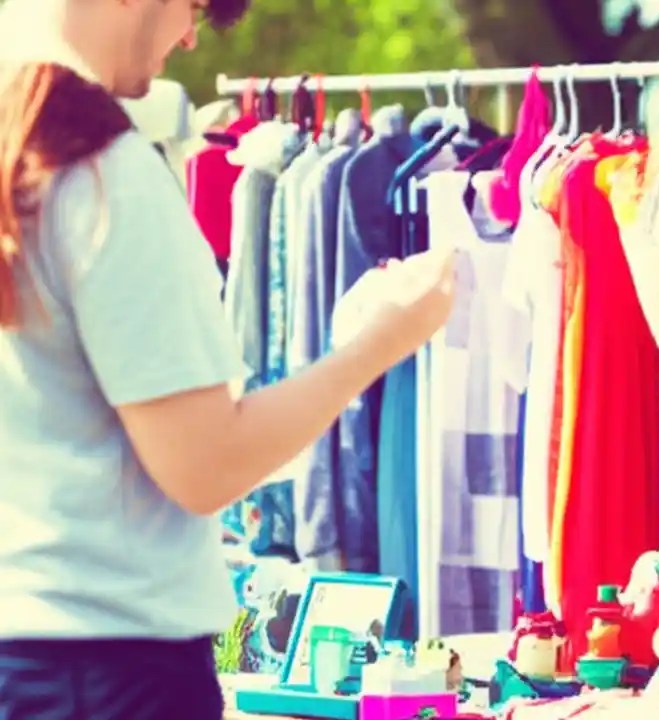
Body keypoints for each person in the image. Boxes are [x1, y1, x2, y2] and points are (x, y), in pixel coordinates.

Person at [0, 1, 457, 718]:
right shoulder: (101, 170)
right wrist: (382, 341)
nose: (189, 35)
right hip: (110, 668)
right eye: (193, 5)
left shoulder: (22, 146)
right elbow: (204, 463)